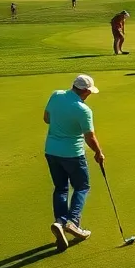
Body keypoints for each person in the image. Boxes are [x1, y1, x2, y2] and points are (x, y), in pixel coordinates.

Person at [43, 74, 105, 253]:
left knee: (61, 188)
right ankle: (73, 222)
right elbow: (89, 137)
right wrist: (99, 153)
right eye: (89, 92)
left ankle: (60, 222)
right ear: (85, 91)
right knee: (82, 187)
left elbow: (47, 118)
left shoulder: (56, 95)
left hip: (51, 151)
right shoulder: (83, 109)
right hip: (73, 154)